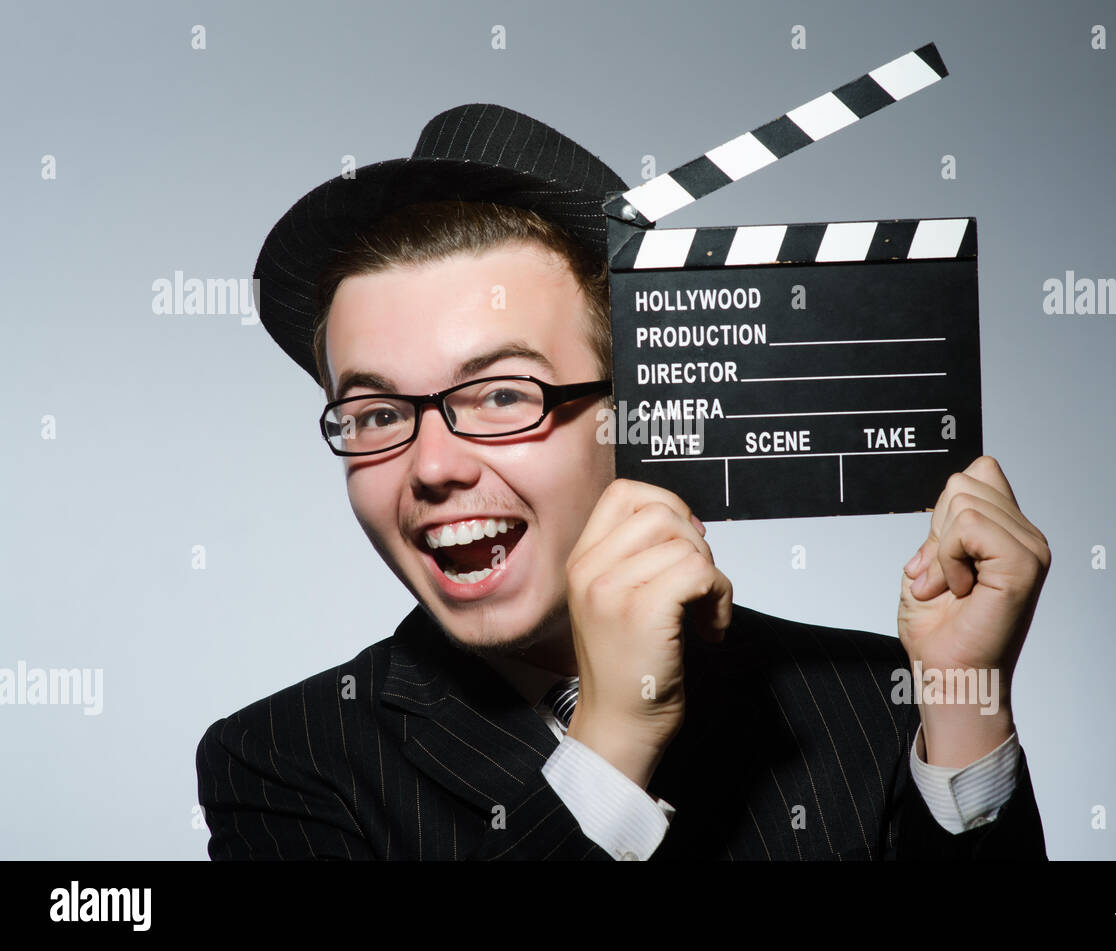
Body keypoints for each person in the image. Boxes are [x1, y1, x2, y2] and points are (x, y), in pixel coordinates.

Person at [196, 104, 1051, 860]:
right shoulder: (284, 760)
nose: (433, 466)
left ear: (634, 416)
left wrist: (961, 705)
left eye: (501, 394)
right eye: (377, 413)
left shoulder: (877, 703)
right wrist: (610, 746)